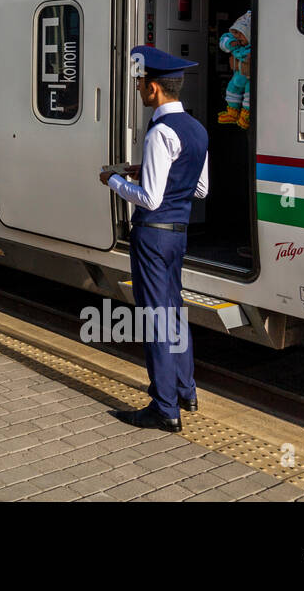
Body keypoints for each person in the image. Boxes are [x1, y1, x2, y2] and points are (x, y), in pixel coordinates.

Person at [99, 45, 209, 433]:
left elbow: (150, 198)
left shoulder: (159, 131)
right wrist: (143, 170)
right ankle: (185, 390)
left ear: (155, 88)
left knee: (155, 319)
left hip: (151, 237)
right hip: (178, 236)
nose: (139, 90)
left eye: (141, 83)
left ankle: (164, 408)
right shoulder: (196, 128)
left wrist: (113, 180)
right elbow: (200, 190)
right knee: (174, 312)